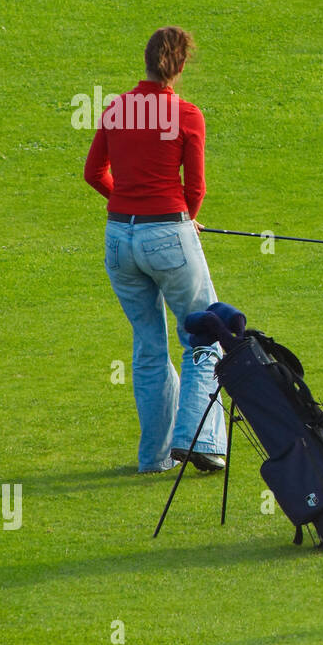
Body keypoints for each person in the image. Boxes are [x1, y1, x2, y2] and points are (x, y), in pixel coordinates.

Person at [84, 26, 227, 473]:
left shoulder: (116, 109)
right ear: (180, 66)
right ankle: (199, 440)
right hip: (169, 234)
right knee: (204, 336)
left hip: (119, 239)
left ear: (145, 61)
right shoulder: (187, 114)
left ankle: (154, 457)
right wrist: (181, 219)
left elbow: (94, 173)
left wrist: (130, 202)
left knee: (149, 347)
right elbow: (196, 187)